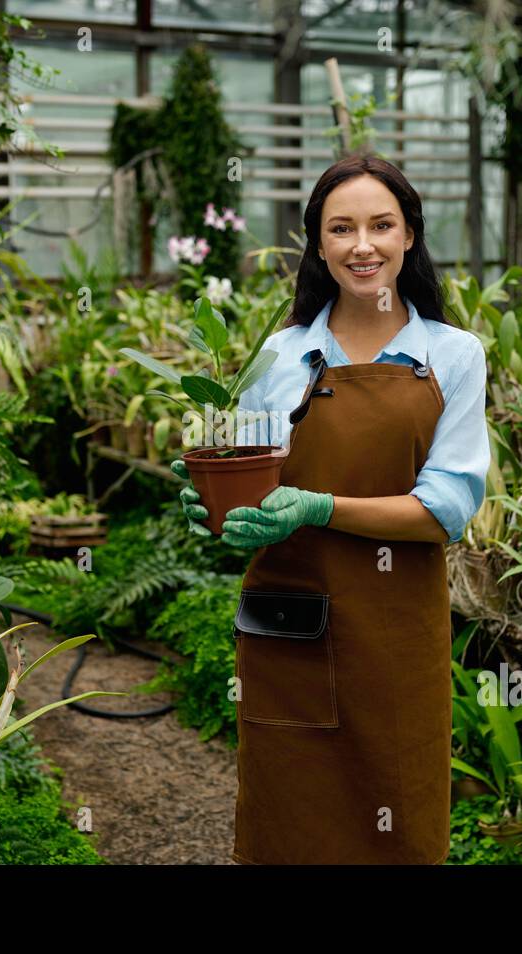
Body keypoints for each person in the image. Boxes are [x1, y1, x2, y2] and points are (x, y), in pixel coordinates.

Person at [171, 153, 491, 864]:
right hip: (290, 626)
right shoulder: (280, 357)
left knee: (399, 821)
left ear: (410, 235)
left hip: (396, 637)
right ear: (318, 244)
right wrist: (212, 505)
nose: (363, 245)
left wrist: (317, 507)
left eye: (382, 225)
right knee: (288, 822)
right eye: (341, 228)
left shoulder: (452, 355)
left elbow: (443, 512)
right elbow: (248, 489)